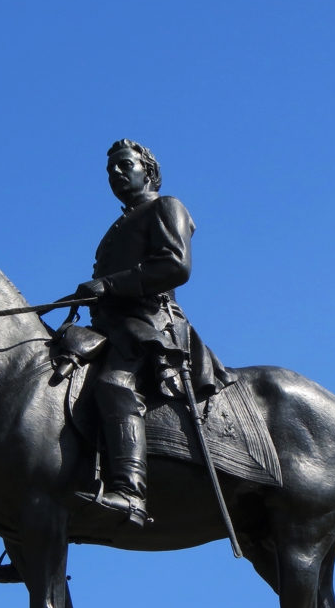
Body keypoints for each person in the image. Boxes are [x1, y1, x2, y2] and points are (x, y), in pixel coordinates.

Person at [58, 139, 234, 529]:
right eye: (110, 170)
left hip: (148, 322)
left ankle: (130, 493)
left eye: (124, 165)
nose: (115, 174)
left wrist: (108, 285)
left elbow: (176, 266)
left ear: (148, 171)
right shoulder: (118, 227)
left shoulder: (166, 206)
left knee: (113, 385)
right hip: (110, 324)